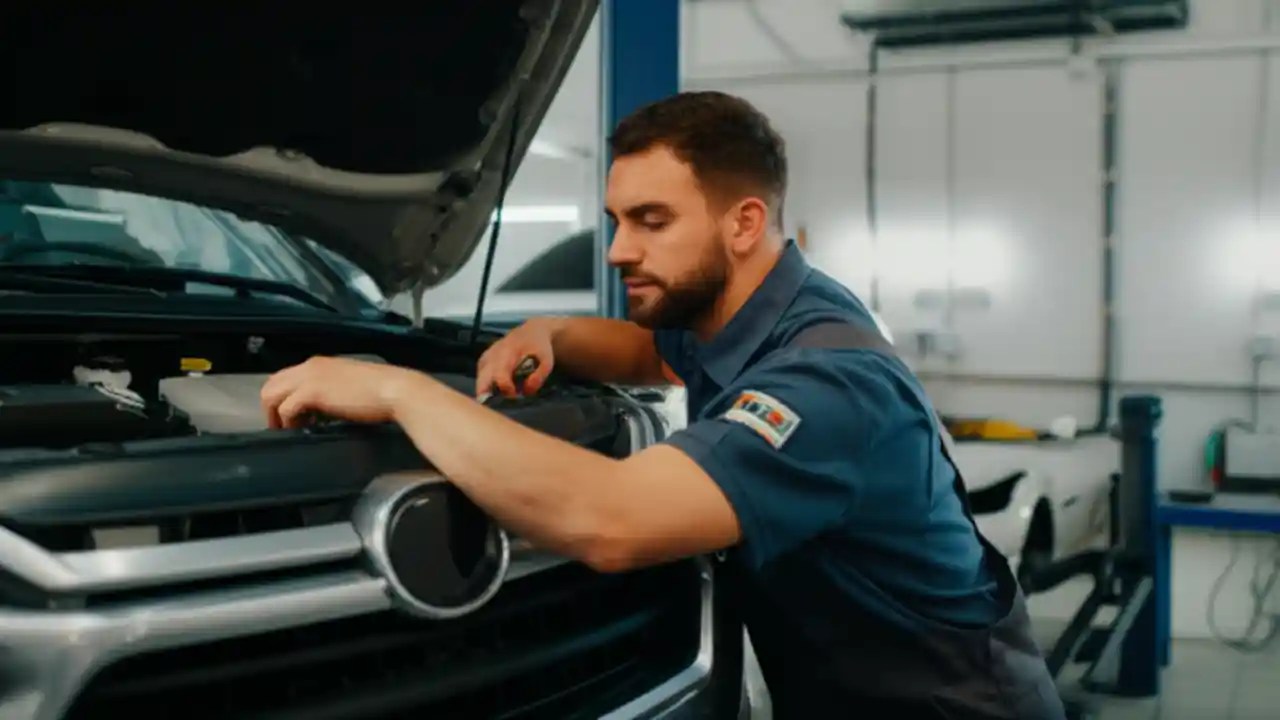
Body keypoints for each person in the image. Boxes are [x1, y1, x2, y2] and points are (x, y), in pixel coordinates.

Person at [260, 90, 1066, 719]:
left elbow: (614, 522)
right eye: (616, 220)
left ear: (745, 221)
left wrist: (399, 392)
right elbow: (651, 350)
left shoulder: (828, 387)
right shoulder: (751, 310)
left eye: (651, 221)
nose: (617, 250)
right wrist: (554, 333)